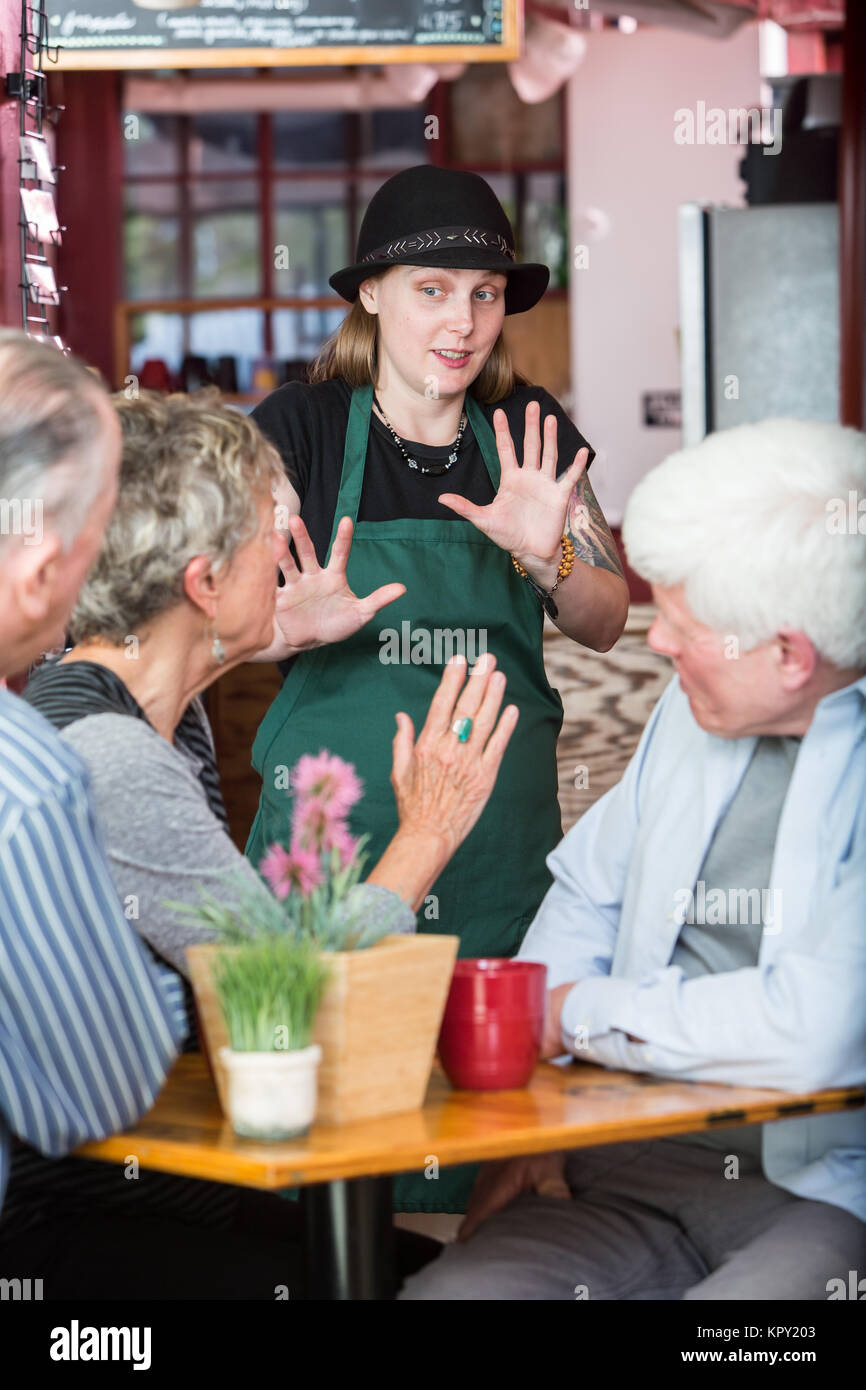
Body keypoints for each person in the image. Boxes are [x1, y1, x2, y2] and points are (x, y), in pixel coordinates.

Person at [17, 386, 519, 1285]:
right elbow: (293, 990)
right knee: (416, 1283)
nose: (289, 560)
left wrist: (245, 638)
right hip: (71, 1213)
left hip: (160, 1172)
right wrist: (428, 834)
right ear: (202, 582)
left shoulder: (120, 695)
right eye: (271, 541)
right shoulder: (114, 758)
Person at [399, 417, 866, 1300]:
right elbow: (583, 900)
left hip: (823, 1192)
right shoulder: (689, 720)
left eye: (684, 626)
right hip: (622, 1166)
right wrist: (530, 1138)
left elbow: (817, 1033)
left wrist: (578, 1015)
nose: (655, 641)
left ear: (792, 655)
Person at [247, 164, 629, 1213]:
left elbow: (604, 617)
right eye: (430, 290)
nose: (461, 323)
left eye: (483, 293)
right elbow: (207, 623)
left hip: (495, 843)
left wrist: (547, 556)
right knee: (325, 1131)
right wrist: (286, 624)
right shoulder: (299, 430)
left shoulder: (529, 431)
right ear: (369, 293)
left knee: (490, 1142)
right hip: (333, 841)